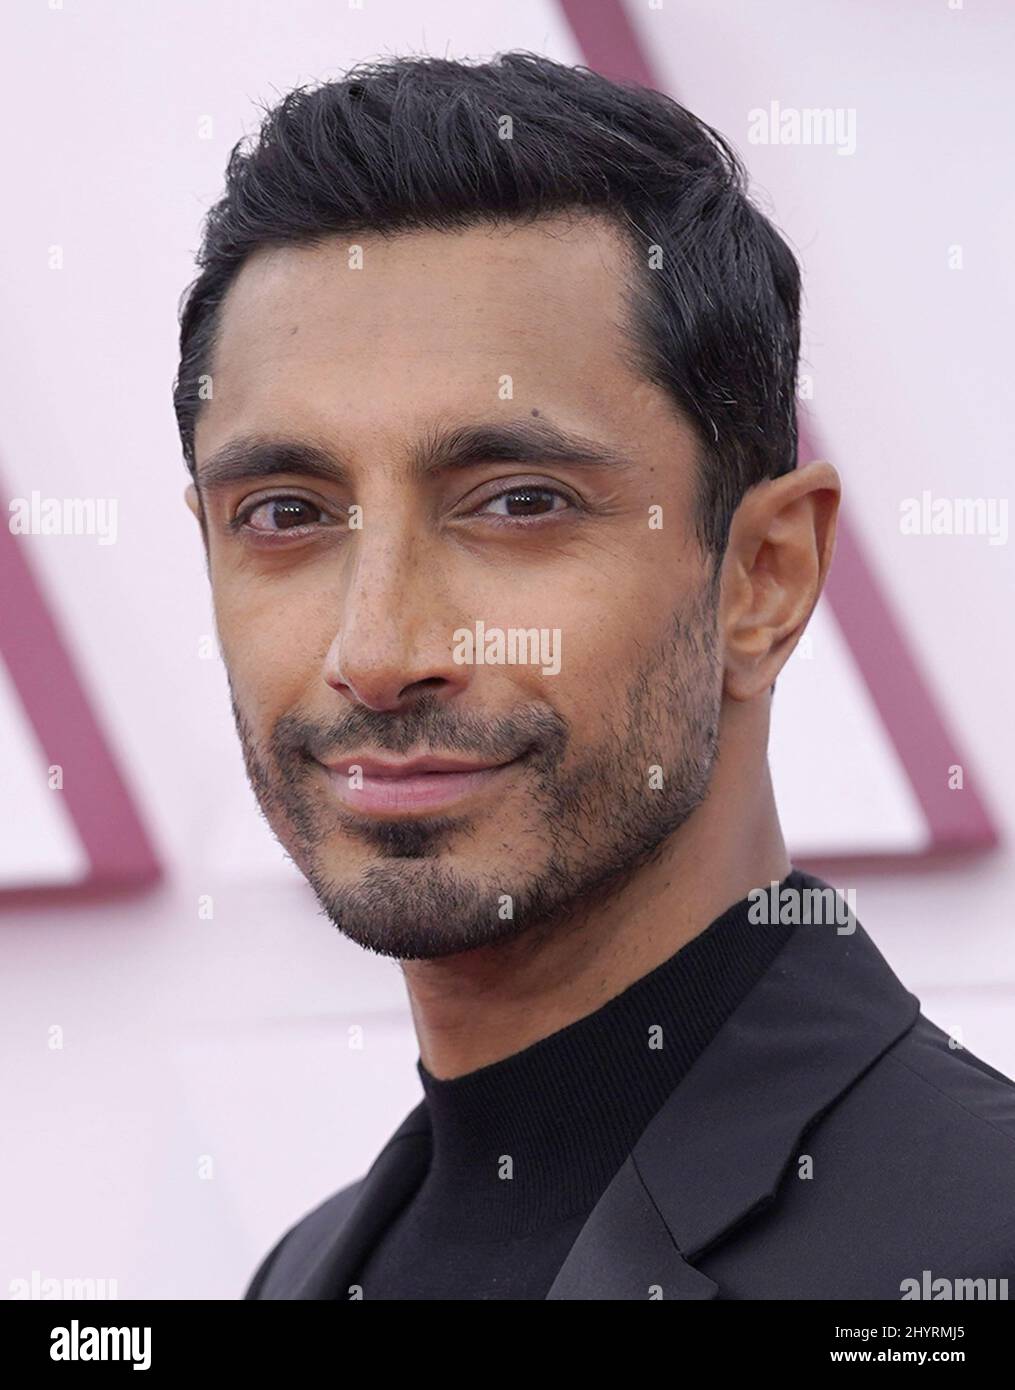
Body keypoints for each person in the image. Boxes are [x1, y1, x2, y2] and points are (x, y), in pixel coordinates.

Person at [173, 52, 1015, 1300]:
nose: (380, 651)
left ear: (764, 575)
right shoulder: (299, 1272)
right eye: (289, 513)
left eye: (518, 502)